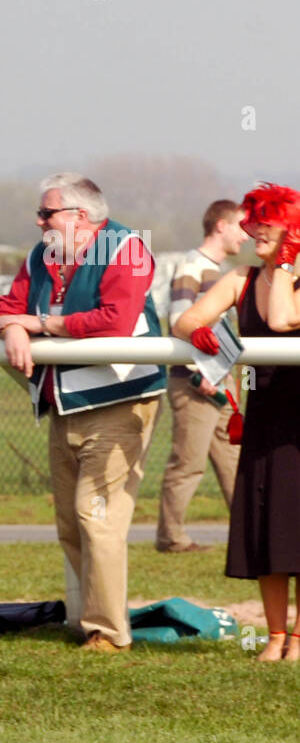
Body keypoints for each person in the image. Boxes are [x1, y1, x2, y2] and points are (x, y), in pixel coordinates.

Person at [0, 173, 165, 653]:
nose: (38, 220)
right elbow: (5, 306)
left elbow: (117, 319)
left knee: (96, 515)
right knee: (71, 520)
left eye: (46, 213)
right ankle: (87, 620)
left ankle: (108, 633)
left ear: (80, 217)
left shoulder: (126, 248)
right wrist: (12, 329)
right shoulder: (40, 255)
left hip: (121, 399)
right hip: (62, 402)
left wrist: (42, 323)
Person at [174, 184, 300, 661]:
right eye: (253, 225)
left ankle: (299, 640)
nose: (254, 234)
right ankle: (273, 637)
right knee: (270, 530)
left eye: (267, 226)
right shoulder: (240, 278)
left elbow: (285, 319)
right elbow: (184, 321)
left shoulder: (292, 277)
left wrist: (287, 266)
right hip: (264, 417)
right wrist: (203, 333)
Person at [155, 200, 247, 553]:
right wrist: (201, 373)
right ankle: (171, 537)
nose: (246, 235)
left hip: (218, 383)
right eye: (241, 226)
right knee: (188, 463)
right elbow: (182, 322)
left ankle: (246, 532)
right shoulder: (192, 266)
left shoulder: (219, 270)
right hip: (196, 385)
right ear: (221, 225)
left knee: (234, 462)